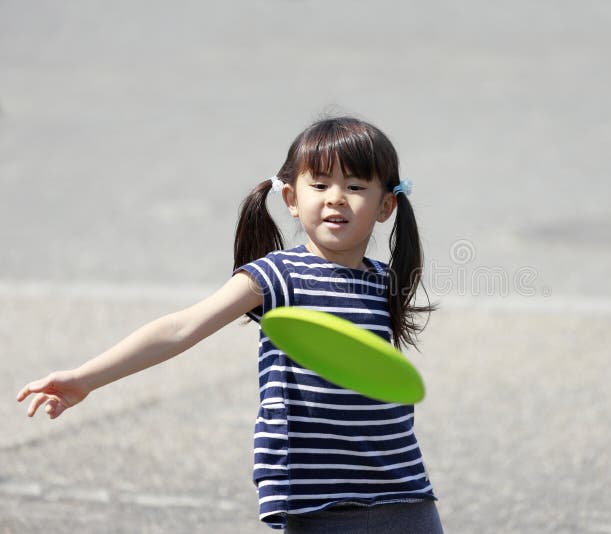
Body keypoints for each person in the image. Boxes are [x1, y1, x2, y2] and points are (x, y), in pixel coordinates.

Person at [16, 116, 443, 533]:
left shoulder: (383, 281)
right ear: (291, 199)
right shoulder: (278, 276)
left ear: (385, 206)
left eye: (355, 186)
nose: (336, 198)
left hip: (403, 490)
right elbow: (181, 328)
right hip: (317, 500)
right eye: (320, 185)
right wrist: (86, 378)